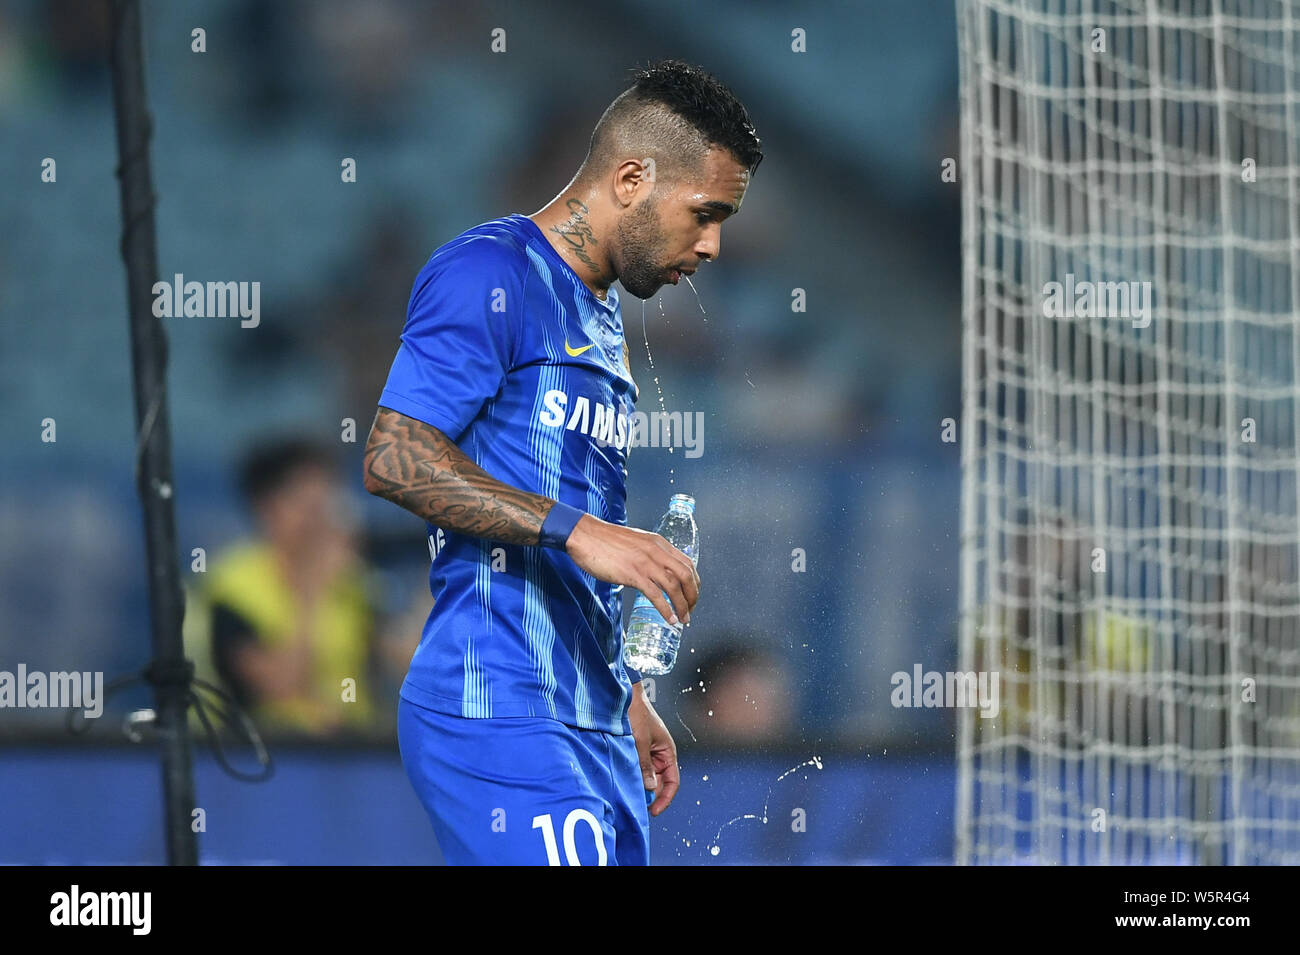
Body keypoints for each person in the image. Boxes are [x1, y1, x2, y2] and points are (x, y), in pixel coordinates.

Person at [363, 60, 761, 865]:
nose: (713, 244)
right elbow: (394, 456)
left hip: (592, 717)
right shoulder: (490, 271)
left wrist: (628, 693)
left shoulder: (601, 315)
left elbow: (561, 507)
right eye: (704, 213)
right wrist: (581, 531)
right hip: (499, 702)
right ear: (630, 178)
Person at [191, 439, 380, 737]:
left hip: (354, 751)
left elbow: (403, 660)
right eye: (305, 505)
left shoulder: (353, 581)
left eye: (325, 505)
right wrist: (312, 590)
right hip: (269, 754)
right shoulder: (233, 585)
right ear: (266, 507)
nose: (318, 520)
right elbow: (279, 685)